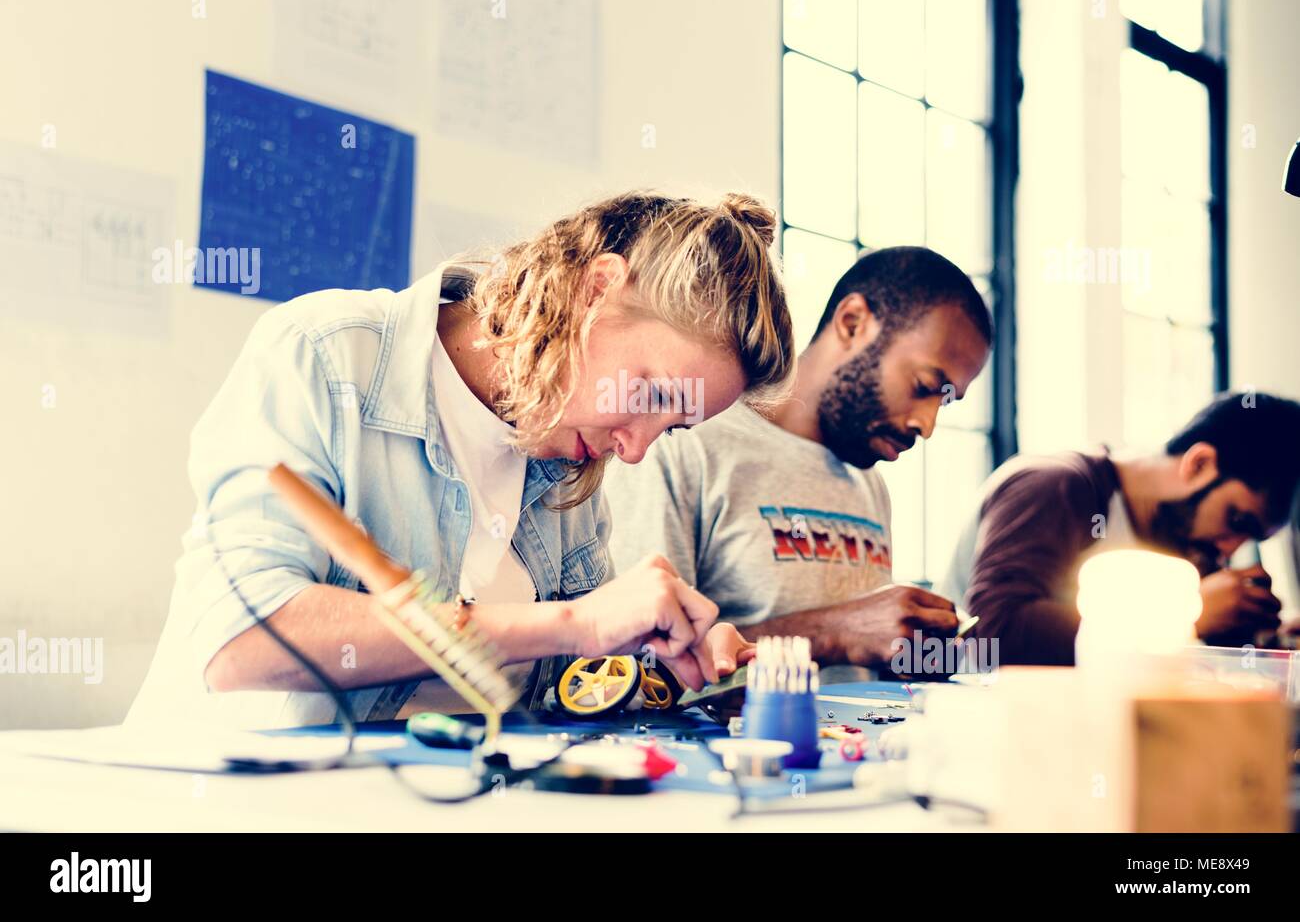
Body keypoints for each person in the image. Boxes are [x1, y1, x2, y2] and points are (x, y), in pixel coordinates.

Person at [128, 191, 794, 728]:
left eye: (672, 427)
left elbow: (561, 684)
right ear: (596, 289)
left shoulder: (568, 465)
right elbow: (240, 641)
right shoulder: (324, 356)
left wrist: (648, 655)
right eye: (648, 392)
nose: (637, 445)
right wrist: (575, 621)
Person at [606, 246, 992, 667]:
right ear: (853, 323)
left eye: (945, 401)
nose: (927, 424)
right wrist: (835, 632)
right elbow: (637, 661)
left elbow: (855, 666)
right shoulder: (685, 441)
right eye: (923, 386)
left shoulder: (869, 482)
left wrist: (912, 652)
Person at [938, 391, 1300, 664]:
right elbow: (993, 632)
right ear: (1199, 464)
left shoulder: (1180, 542)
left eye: (1251, 537)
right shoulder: (1056, 487)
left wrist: (1267, 641)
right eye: (1237, 520)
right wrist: (1189, 614)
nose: (1230, 548)